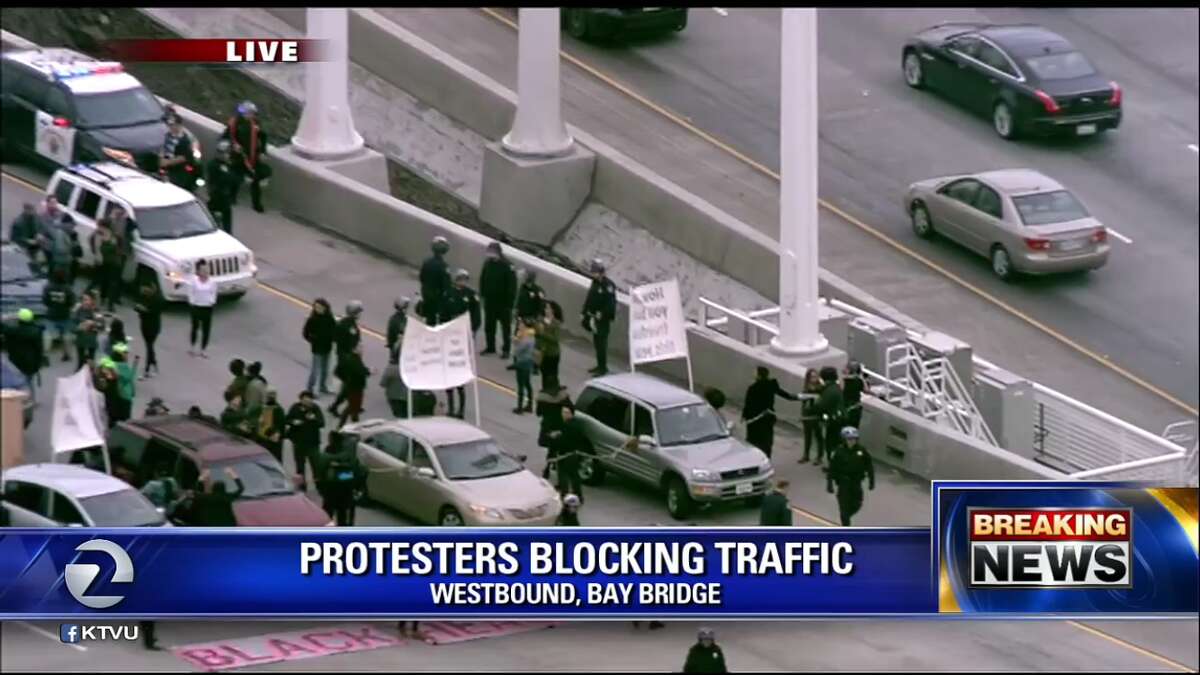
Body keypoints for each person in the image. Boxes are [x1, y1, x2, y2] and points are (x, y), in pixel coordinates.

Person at [439, 269, 481, 419]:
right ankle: (450, 408)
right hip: (451, 332)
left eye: (464, 279)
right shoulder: (448, 293)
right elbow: (443, 313)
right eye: (460, 279)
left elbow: (476, 315)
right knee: (449, 382)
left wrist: (472, 330)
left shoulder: (471, 295)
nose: (462, 282)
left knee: (460, 383)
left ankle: (461, 410)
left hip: (464, 332)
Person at [221, 100, 269, 212]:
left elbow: (263, 137)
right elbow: (225, 137)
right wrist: (233, 145)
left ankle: (257, 204)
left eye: (251, 114)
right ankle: (232, 197)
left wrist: (263, 151)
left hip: (252, 156)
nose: (249, 116)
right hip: (238, 156)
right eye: (247, 113)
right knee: (236, 178)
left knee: (256, 180)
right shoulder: (234, 124)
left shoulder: (255, 124)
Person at [741, 366, 799, 459]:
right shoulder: (771, 385)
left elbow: (748, 403)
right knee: (767, 439)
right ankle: (766, 457)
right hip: (768, 417)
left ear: (759, 375)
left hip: (754, 418)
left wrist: (744, 416)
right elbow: (786, 395)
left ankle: (754, 458)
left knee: (754, 439)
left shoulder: (753, 388)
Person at [827, 426, 875, 526]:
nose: (852, 441)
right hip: (844, 484)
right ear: (844, 440)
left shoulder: (861, 451)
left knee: (857, 504)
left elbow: (869, 465)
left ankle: (846, 518)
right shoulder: (838, 452)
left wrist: (871, 481)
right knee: (843, 511)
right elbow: (832, 468)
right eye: (849, 439)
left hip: (856, 483)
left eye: (854, 439)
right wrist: (829, 483)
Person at [479, 241, 517, 358]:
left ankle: (506, 350)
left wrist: (510, 304)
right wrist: (483, 294)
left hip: (503, 303)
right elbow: (483, 279)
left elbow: (512, 286)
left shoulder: (508, 266)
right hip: (490, 301)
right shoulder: (488, 263)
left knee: (505, 328)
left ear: (498, 253)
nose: (489, 254)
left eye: (492, 252)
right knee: (489, 325)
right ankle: (490, 347)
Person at [582, 259, 617, 376]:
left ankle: (603, 368)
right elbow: (590, 298)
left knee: (602, 344)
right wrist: (584, 311)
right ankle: (599, 365)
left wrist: (603, 313)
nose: (593, 274)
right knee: (597, 343)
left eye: (595, 272)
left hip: (602, 320)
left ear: (601, 272)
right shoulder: (595, 283)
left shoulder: (609, 286)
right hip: (593, 318)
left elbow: (611, 304)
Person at [285, 390, 325, 492]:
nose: (307, 403)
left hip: (313, 443)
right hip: (298, 442)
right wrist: (294, 422)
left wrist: (314, 418)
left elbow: (322, 423)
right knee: (299, 466)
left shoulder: (315, 409)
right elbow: (287, 419)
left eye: (309, 400)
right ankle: (302, 486)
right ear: (301, 400)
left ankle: (319, 485)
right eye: (304, 400)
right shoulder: (295, 407)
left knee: (316, 465)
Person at [316, 431, 360, 526]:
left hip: (330, 491)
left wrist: (321, 487)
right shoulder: (348, 455)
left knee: (327, 516)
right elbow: (355, 472)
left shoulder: (326, 455)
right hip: (345, 492)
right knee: (343, 516)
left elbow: (320, 474)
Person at [329, 300, 364, 414]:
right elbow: (352, 342)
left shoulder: (344, 322)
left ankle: (352, 404)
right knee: (349, 385)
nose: (360, 314)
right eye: (359, 312)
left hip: (345, 356)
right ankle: (335, 406)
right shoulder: (349, 326)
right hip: (347, 358)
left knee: (350, 384)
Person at [551, 402, 590, 502]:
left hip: (566, 454)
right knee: (574, 475)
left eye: (566, 412)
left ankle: (564, 496)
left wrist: (556, 437)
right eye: (563, 412)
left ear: (571, 414)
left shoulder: (566, 426)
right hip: (575, 454)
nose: (563, 414)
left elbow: (563, 441)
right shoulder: (577, 424)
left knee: (563, 475)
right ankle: (579, 496)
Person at [5, 309, 45, 398]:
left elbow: (3, 328)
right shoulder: (36, 331)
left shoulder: (13, 331)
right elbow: (39, 348)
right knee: (29, 381)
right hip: (31, 361)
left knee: (18, 382)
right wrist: (38, 362)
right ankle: (31, 400)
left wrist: (7, 318)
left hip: (15, 360)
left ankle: (19, 400)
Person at [536, 379, 571, 479]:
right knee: (556, 447)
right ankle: (555, 466)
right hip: (560, 424)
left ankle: (547, 468)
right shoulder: (563, 396)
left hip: (548, 425)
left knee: (550, 448)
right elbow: (570, 407)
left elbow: (538, 413)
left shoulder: (542, 397)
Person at [303, 298, 337, 396]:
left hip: (327, 347)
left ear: (325, 307)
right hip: (317, 349)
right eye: (316, 307)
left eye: (320, 307)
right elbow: (305, 333)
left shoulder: (329, 318)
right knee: (315, 371)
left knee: (325, 370)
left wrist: (333, 339)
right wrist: (312, 340)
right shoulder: (312, 319)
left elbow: (334, 330)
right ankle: (310, 390)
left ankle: (322, 387)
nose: (318, 309)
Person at [42, 269, 75, 363]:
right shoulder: (68, 288)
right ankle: (67, 354)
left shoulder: (48, 287)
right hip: (65, 315)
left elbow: (45, 300)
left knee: (48, 335)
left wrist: (52, 306)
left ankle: (44, 356)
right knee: (66, 335)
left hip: (51, 314)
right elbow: (71, 302)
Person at [332, 344, 369, 427]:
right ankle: (346, 425)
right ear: (354, 350)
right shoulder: (353, 359)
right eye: (360, 348)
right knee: (352, 407)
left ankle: (351, 423)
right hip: (354, 386)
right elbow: (358, 371)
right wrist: (368, 372)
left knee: (352, 407)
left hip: (353, 385)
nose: (362, 350)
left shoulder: (356, 358)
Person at [186, 259, 217, 358]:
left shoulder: (212, 282)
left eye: (207, 270)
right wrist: (193, 302)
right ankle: (192, 347)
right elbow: (190, 292)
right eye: (203, 271)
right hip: (196, 307)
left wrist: (211, 302)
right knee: (195, 327)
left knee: (206, 330)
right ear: (198, 271)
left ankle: (203, 350)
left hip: (207, 307)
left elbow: (213, 293)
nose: (205, 272)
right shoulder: (194, 281)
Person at [158, 113, 197, 191]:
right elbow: (163, 148)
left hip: (179, 172)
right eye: (169, 125)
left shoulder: (184, 140)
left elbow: (183, 157)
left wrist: (166, 162)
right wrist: (161, 158)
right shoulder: (168, 135)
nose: (170, 127)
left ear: (178, 125)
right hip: (167, 169)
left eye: (172, 125)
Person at [132, 281, 163, 379]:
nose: (144, 291)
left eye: (146, 289)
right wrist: (140, 308)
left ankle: (147, 368)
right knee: (149, 346)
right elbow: (136, 306)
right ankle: (153, 364)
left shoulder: (158, 299)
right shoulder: (143, 296)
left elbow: (153, 311)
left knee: (149, 346)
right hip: (144, 325)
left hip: (153, 326)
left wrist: (143, 309)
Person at [206, 139, 238, 233]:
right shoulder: (214, 165)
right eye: (225, 153)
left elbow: (234, 179)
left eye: (228, 153)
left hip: (226, 197)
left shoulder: (228, 165)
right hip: (216, 196)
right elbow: (220, 180)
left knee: (227, 219)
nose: (227, 155)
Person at [419, 236, 452, 325]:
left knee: (426, 314)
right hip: (437, 296)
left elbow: (422, 277)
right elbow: (446, 284)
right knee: (434, 318)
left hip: (426, 292)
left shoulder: (427, 262)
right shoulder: (444, 266)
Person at [90, 218, 122, 310]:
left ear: (104, 227)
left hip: (113, 263)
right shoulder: (97, 235)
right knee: (98, 280)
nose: (97, 228)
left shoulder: (114, 237)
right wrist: (96, 253)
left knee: (112, 283)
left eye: (99, 226)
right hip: (102, 262)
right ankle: (92, 297)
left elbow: (117, 249)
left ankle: (110, 304)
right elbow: (93, 244)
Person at [817, 366, 845, 457]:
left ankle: (833, 464)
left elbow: (822, 405)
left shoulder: (829, 390)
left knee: (831, 443)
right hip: (838, 418)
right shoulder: (836, 388)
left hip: (834, 420)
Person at [535, 300, 563, 389]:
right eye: (545, 308)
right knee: (544, 374)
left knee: (552, 375)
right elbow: (536, 334)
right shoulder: (540, 320)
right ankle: (545, 391)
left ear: (553, 311)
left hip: (553, 354)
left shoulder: (556, 323)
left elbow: (556, 339)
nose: (546, 310)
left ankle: (554, 391)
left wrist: (543, 333)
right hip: (543, 353)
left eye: (548, 308)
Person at [800, 368, 825, 465]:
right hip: (807, 413)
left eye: (815, 376)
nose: (813, 379)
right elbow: (804, 401)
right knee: (807, 435)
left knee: (818, 436)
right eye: (811, 377)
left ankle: (819, 457)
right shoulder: (806, 388)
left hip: (816, 414)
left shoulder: (821, 388)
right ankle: (806, 455)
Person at [254, 388, 286, 462]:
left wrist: (276, 434)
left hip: (273, 439)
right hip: (263, 439)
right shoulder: (262, 408)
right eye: (269, 394)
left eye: (273, 394)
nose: (271, 396)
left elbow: (281, 425)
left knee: (275, 460)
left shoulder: (278, 409)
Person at [512, 319, 537, 414]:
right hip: (529, 362)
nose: (519, 325)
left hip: (522, 362)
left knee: (521, 385)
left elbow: (518, 350)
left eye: (521, 324)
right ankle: (529, 405)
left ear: (525, 326)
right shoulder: (531, 336)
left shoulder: (525, 338)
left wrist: (515, 342)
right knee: (527, 384)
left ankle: (519, 407)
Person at [73, 292, 101, 370]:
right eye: (83, 300)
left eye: (87, 299)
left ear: (92, 301)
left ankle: (91, 375)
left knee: (91, 362)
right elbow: (73, 324)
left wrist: (93, 323)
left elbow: (101, 325)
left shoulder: (95, 311)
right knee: (80, 362)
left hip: (91, 340)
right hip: (81, 339)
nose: (84, 302)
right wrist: (79, 327)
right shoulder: (78, 310)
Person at [111, 343, 137, 425]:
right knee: (125, 421)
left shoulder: (113, 364)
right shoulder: (122, 366)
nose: (127, 355)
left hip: (116, 396)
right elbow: (129, 378)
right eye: (125, 353)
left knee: (114, 418)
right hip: (124, 396)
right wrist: (135, 366)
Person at [379, 348, 409, 417]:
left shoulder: (391, 368)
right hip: (408, 396)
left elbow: (383, 383)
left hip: (394, 396)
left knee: (398, 415)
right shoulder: (409, 367)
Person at [842, 360, 866, 429]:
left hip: (846, 408)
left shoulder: (844, 381)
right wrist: (861, 377)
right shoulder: (859, 381)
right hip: (856, 409)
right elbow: (866, 390)